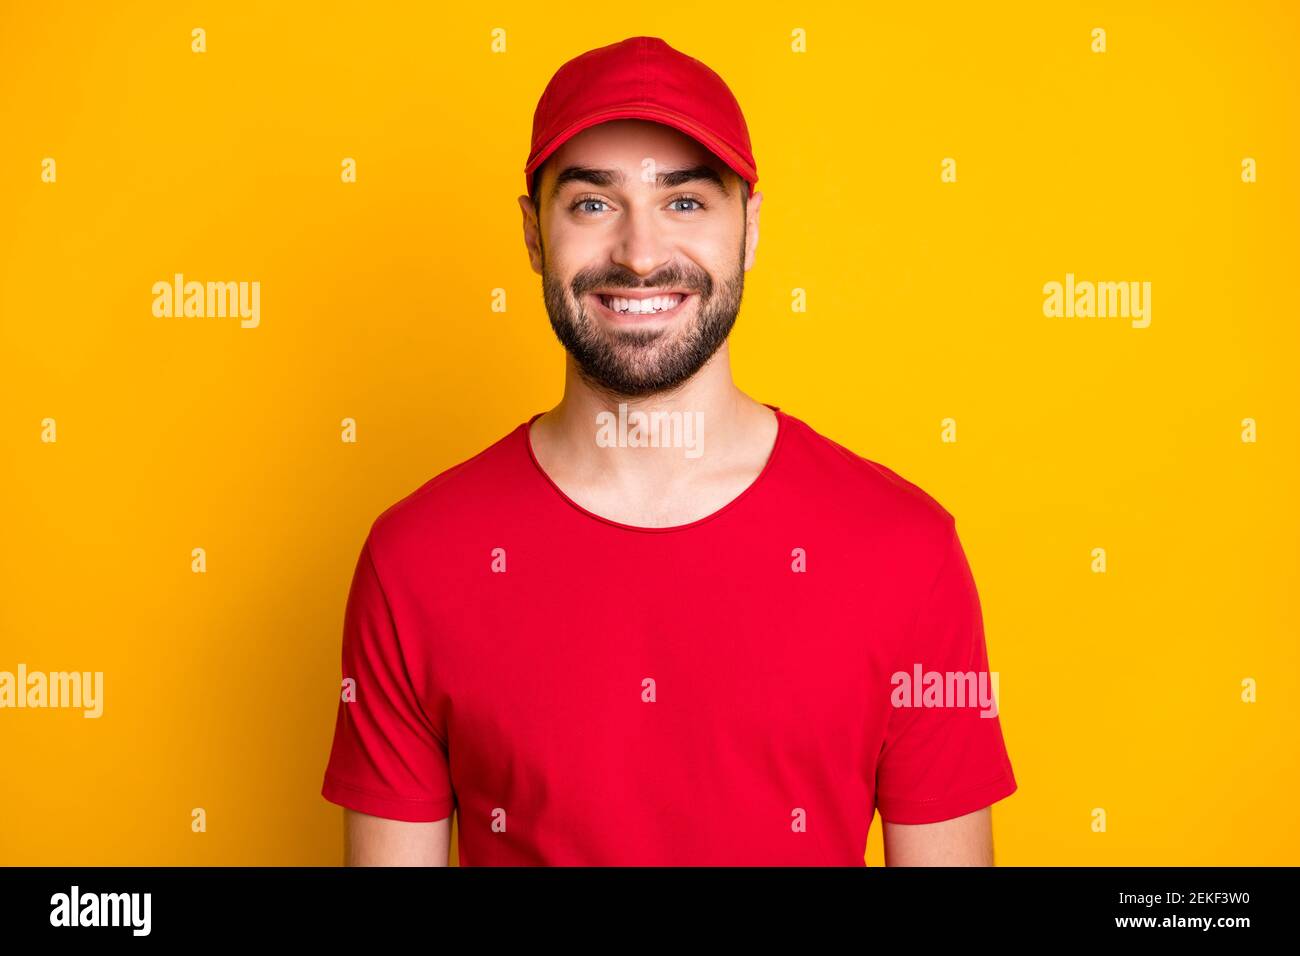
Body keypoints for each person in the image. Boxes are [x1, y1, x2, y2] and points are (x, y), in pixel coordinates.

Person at [321, 35, 1017, 866]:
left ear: (751, 229)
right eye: (591, 204)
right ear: (533, 235)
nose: (641, 254)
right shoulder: (415, 561)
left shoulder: (908, 552)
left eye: (686, 202)